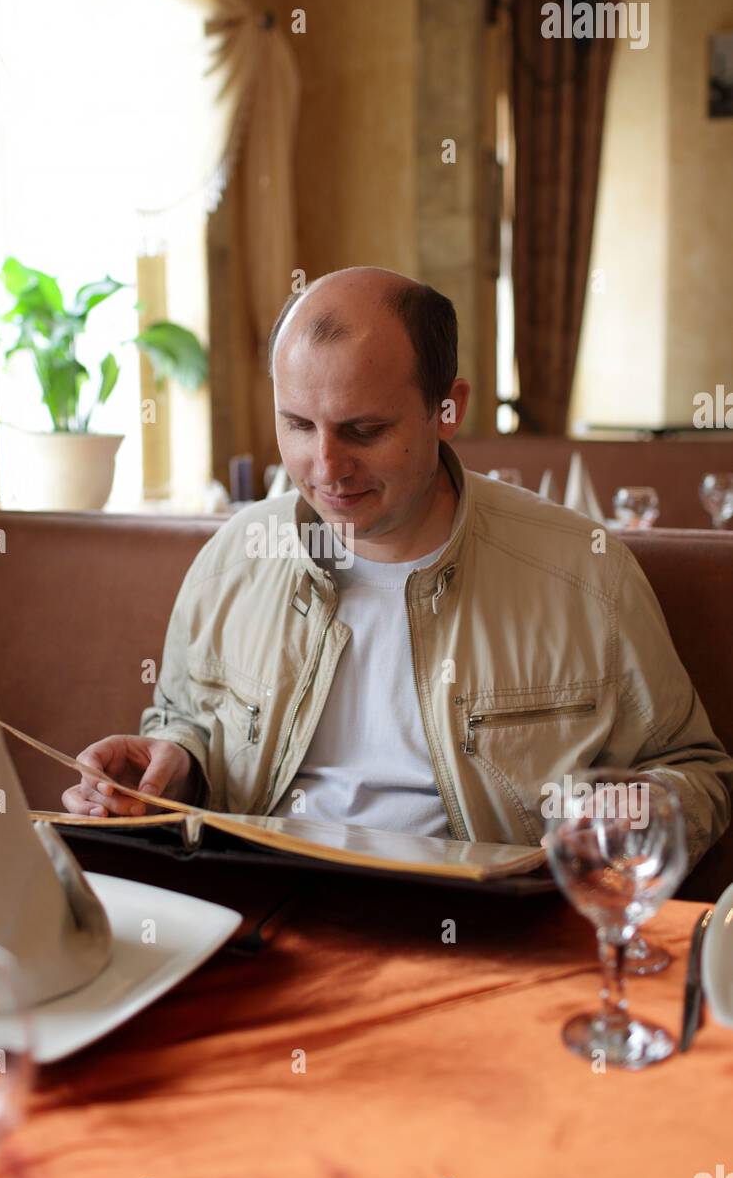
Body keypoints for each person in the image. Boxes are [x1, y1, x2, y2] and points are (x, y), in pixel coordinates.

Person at [61, 266, 733, 869]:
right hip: (261, 908)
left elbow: (697, 773)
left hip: (477, 932)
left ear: (449, 409)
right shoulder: (232, 560)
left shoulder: (586, 574)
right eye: (297, 425)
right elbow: (183, 722)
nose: (325, 468)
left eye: (363, 431)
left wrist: (632, 812)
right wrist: (173, 767)